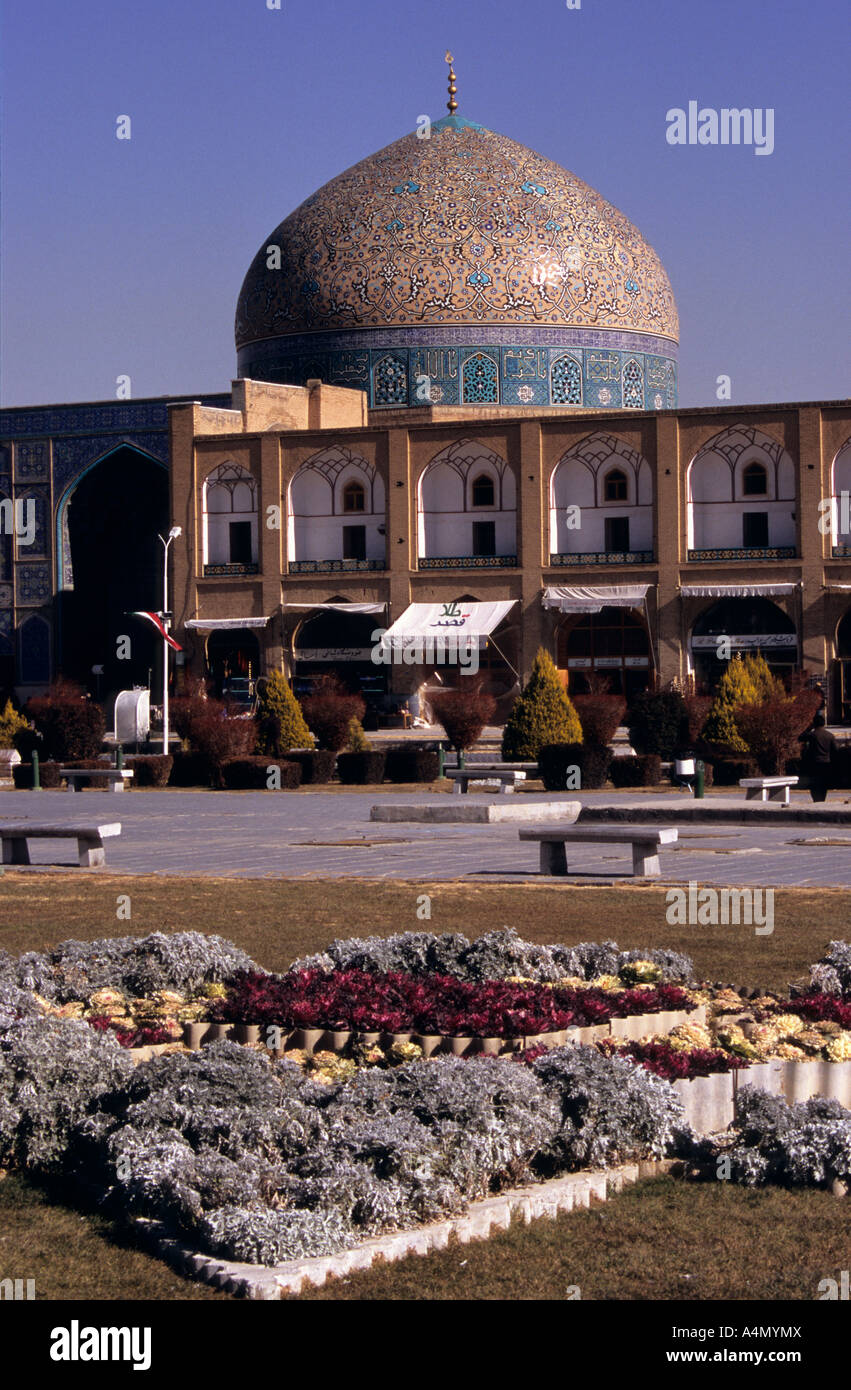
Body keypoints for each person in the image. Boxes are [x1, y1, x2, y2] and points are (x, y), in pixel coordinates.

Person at [798, 712, 836, 803]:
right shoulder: (830, 736)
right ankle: (822, 800)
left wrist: (809, 728)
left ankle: (816, 800)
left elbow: (800, 738)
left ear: (814, 723)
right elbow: (835, 751)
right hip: (826, 763)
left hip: (814, 763)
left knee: (814, 784)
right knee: (823, 784)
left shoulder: (812, 735)